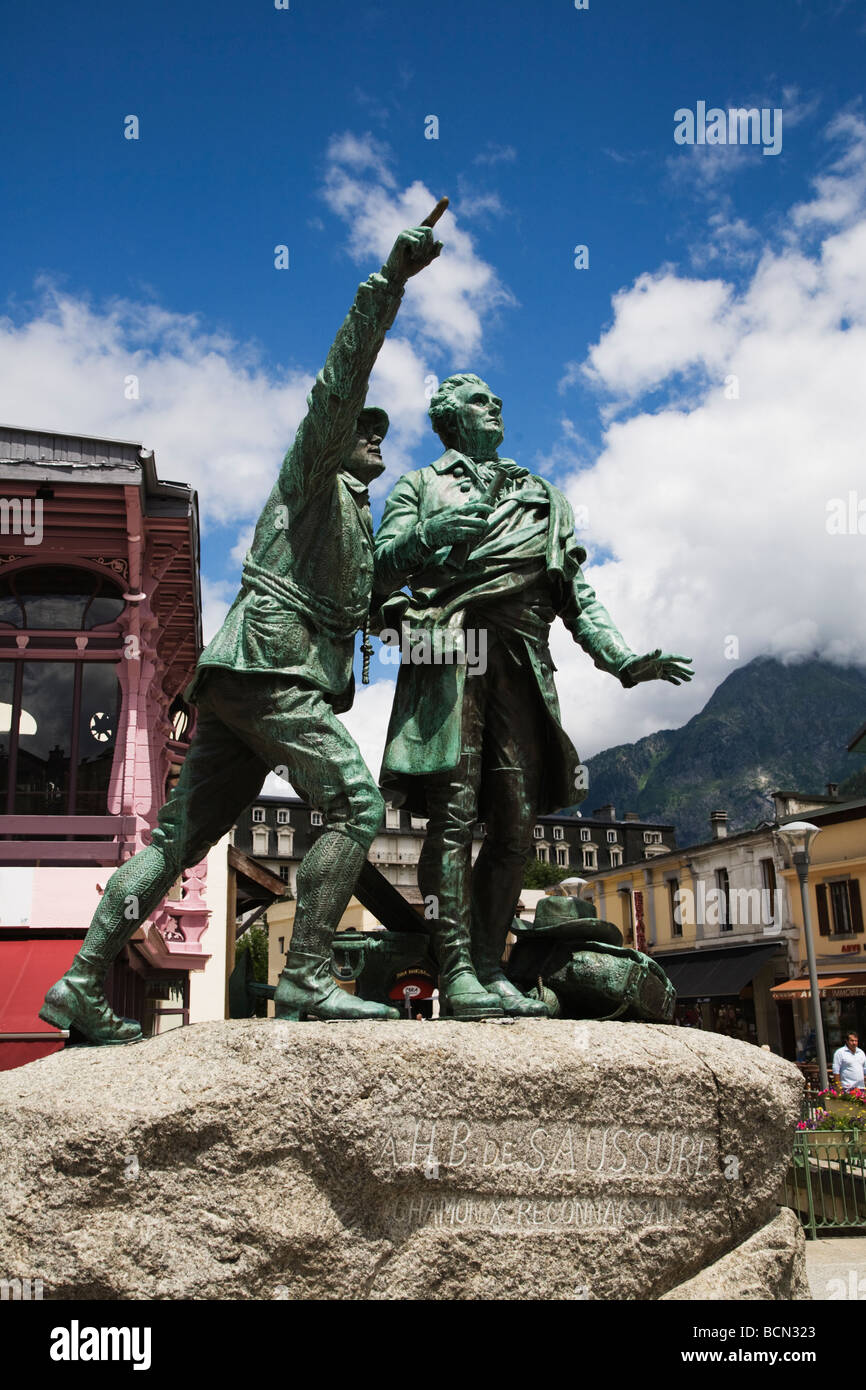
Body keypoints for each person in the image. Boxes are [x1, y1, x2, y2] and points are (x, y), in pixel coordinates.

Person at [40, 219, 442, 1042]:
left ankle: (80, 981)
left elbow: (364, 606)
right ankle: (305, 980)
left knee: (179, 836)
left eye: (378, 437)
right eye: (367, 429)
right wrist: (390, 281)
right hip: (270, 667)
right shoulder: (314, 466)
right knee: (355, 804)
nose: (374, 440)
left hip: (244, 684)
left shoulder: (354, 523)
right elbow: (343, 372)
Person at [374, 373, 693, 1020]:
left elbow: (578, 596)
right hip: (451, 650)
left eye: (497, 398)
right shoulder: (421, 486)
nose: (495, 407)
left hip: (523, 659)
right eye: (478, 401)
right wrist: (430, 536)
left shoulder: (541, 496)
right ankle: (457, 967)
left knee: (517, 824)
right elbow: (379, 566)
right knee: (455, 813)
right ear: (449, 419)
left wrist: (624, 659)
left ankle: (490, 968)